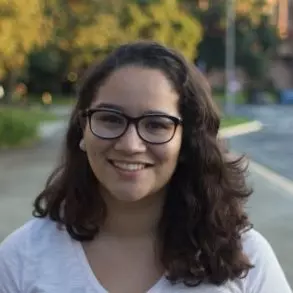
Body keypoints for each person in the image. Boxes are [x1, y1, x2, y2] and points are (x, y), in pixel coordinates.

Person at [0, 41, 291, 293]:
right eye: (111, 119)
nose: (130, 144)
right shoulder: (22, 258)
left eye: (156, 125)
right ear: (82, 130)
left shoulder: (244, 256)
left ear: (187, 141)